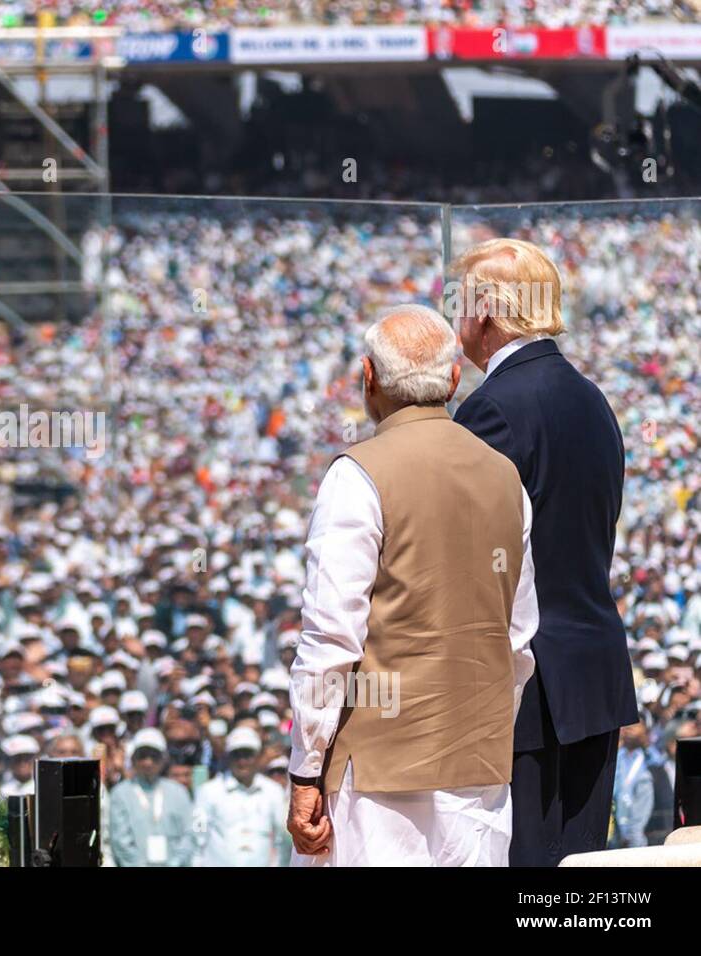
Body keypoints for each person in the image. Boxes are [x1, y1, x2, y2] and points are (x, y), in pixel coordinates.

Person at [288, 305, 538, 867]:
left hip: (375, 779)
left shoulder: (356, 475)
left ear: (368, 378)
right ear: (454, 380)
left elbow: (330, 642)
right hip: (479, 771)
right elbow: (518, 640)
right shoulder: (506, 477)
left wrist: (306, 769)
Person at [452, 238, 636, 866]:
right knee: (580, 883)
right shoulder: (594, 401)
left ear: (485, 313)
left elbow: (470, 565)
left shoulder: (490, 411)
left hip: (528, 687)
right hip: (594, 676)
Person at [194, 726, 288, 866]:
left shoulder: (273, 792)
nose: (242, 761)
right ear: (228, 757)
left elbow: (281, 838)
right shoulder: (209, 791)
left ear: (258, 756)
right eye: (236, 754)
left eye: (248, 754)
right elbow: (198, 835)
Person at [109, 727, 195, 867]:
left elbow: (189, 835)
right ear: (133, 759)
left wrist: (175, 863)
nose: (148, 762)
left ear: (164, 759)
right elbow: (120, 841)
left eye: (154, 756)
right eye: (142, 756)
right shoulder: (120, 793)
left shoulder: (178, 792)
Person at [611, 720, 655, 849]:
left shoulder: (652, 758)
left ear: (646, 731)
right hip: (616, 829)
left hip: (645, 831)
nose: (629, 728)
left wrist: (646, 743)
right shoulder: (615, 757)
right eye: (626, 725)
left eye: (635, 724)